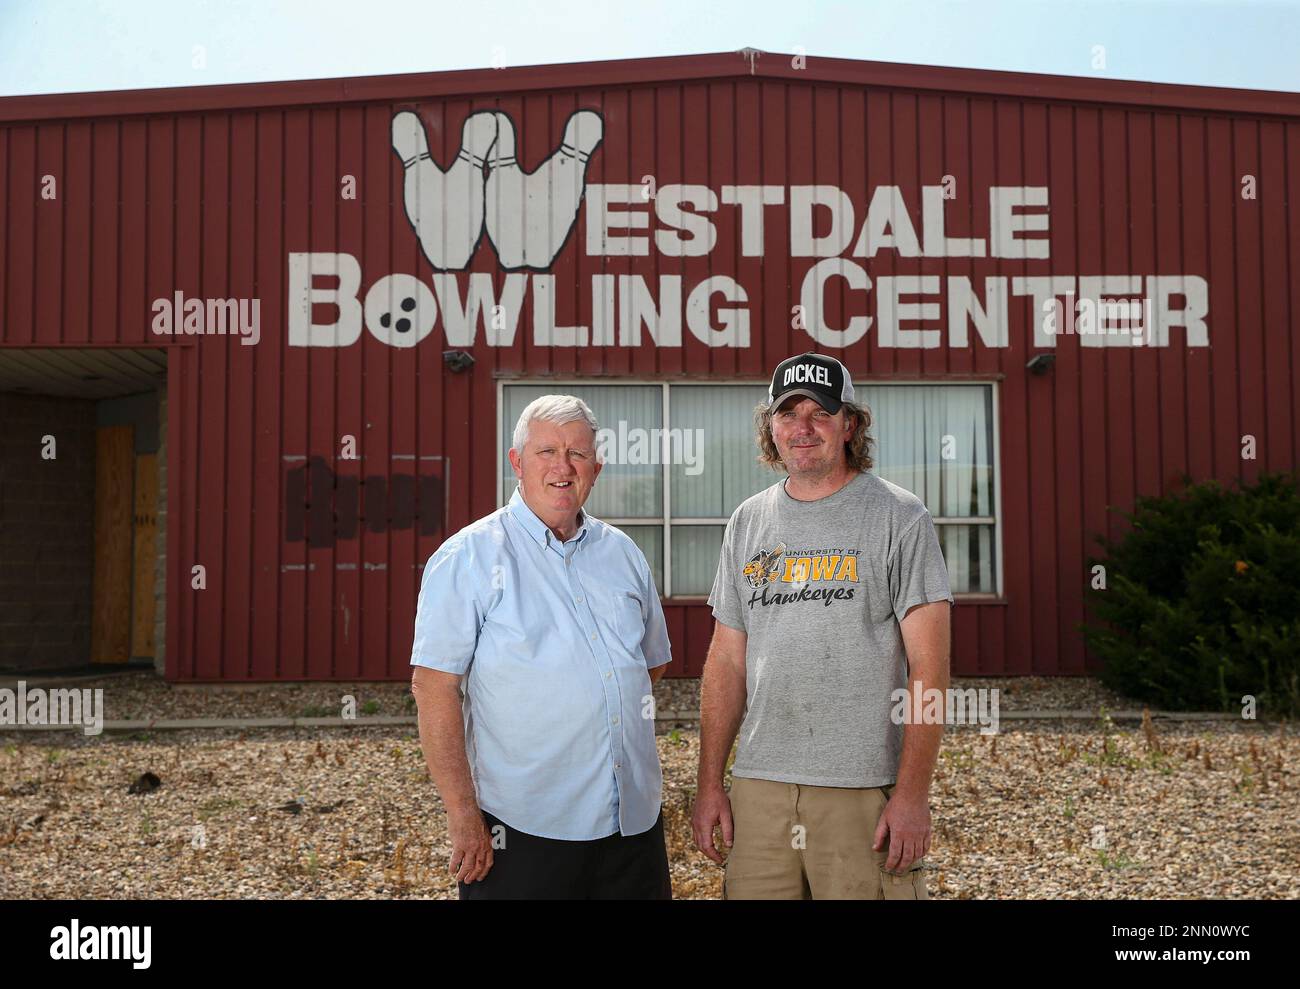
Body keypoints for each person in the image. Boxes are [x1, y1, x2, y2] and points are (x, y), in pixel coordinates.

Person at [691, 352, 954, 899]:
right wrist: (710, 783)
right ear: (771, 427)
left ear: (850, 424)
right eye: (788, 414)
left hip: (861, 791)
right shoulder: (748, 521)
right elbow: (725, 661)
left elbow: (929, 669)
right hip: (760, 788)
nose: (803, 428)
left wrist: (911, 794)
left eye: (821, 412)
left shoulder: (899, 517)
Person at [410, 394, 673, 899]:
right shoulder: (468, 556)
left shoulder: (623, 553)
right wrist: (464, 815)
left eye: (577, 454)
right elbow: (434, 687)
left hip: (631, 824)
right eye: (546, 452)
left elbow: (650, 665)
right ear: (516, 462)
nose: (563, 466)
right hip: (522, 826)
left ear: (596, 468)